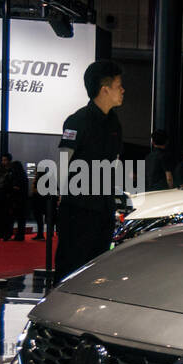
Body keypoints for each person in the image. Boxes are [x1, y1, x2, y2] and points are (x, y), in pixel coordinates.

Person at [54, 59, 124, 283]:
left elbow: (114, 162)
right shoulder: (77, 121)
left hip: (103, 208)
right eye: (118, 85)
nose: (123, 90)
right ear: (105, 89)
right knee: (71, 265)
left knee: (98, 266)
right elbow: (64, 160)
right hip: (78, 208)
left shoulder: (115, 124)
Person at [9, 160, 29, 240]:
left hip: (16, 200)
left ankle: (13, 234)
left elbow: (16, 188)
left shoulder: (16, 177)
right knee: (21, 220)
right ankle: (20, 235)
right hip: (22, 201)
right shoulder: (23, 176)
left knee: (13, 218)